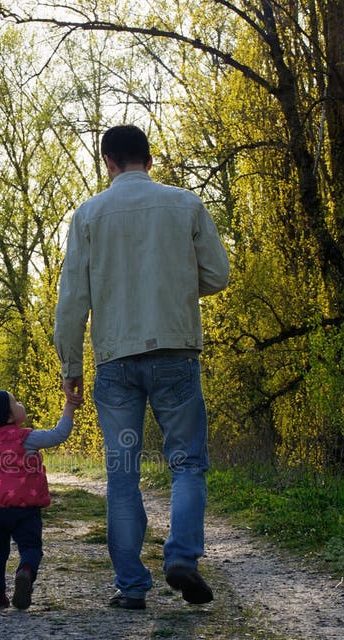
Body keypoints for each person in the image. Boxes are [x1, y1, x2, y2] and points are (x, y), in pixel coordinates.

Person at [54, 124, 229, 611]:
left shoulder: (88, 214)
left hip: (116, 363)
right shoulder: (186, 204)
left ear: (107, 162)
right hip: (175, 354)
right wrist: (172, 286)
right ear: (149, 160)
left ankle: (131, 586)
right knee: (187, 463)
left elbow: (72, 301)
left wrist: (71, 365)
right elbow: (217, 274)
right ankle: (182, 558)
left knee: (123, 471)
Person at [0, 389, 81, 610]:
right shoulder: (26, 438)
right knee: (31, 547)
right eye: (15, 402)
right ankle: (26, 571)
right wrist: (69, 407)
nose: (21, 403)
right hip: (24, 507)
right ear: (9, 417)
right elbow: (59, 434)